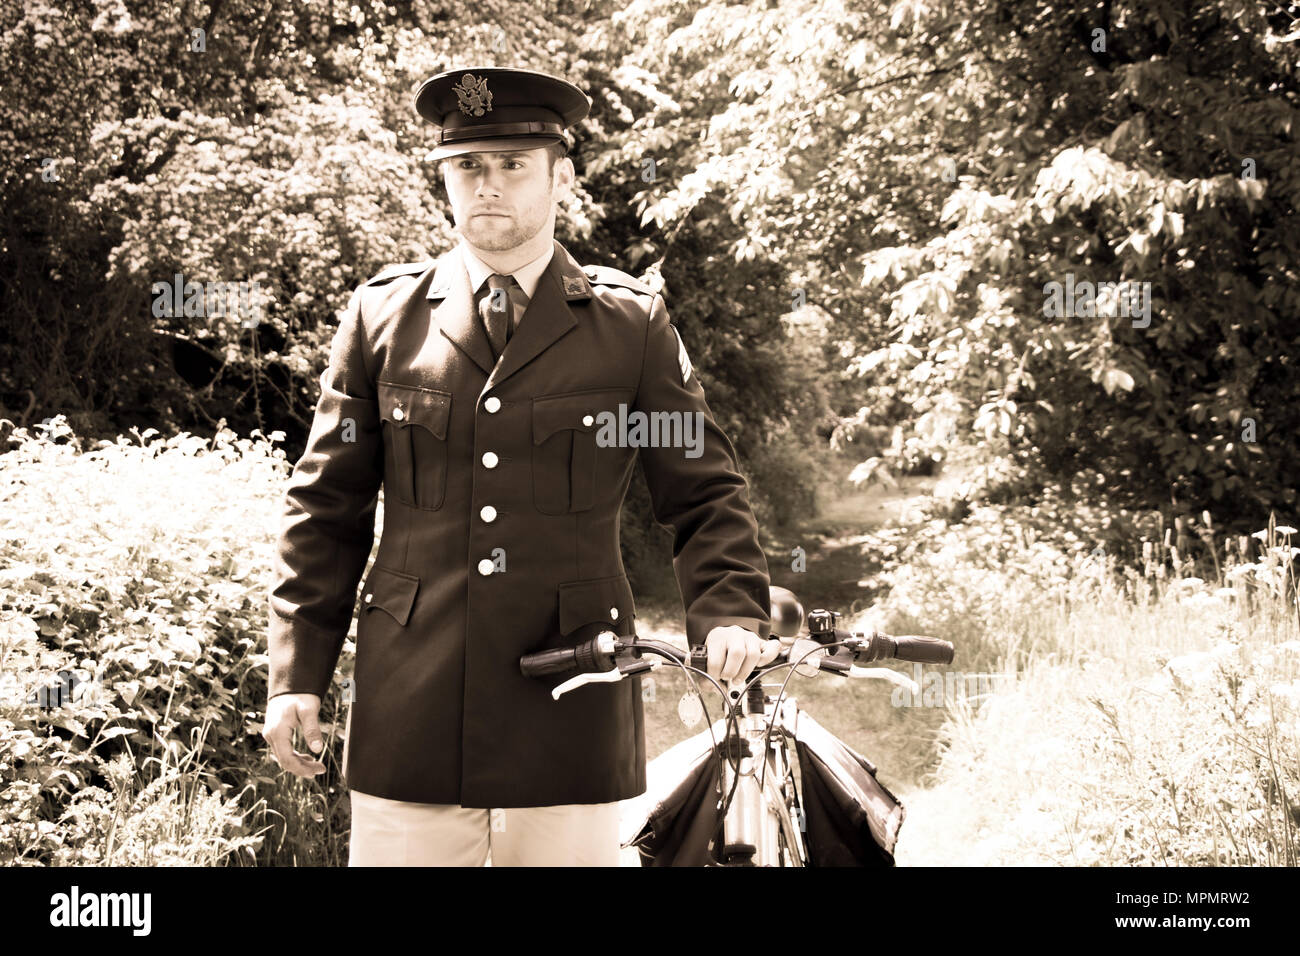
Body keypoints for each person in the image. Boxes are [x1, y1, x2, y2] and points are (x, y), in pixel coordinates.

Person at [263, 66, 777, 866]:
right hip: (412, 699)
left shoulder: (629, 324)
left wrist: (730, 613)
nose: (489, 186)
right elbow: (325, 508)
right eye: (468, 166)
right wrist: (298, 671)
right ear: (443, 179)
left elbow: (705, 491)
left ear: (560, 176)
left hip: (571, 690)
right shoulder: (383, 317)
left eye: (512, 164)